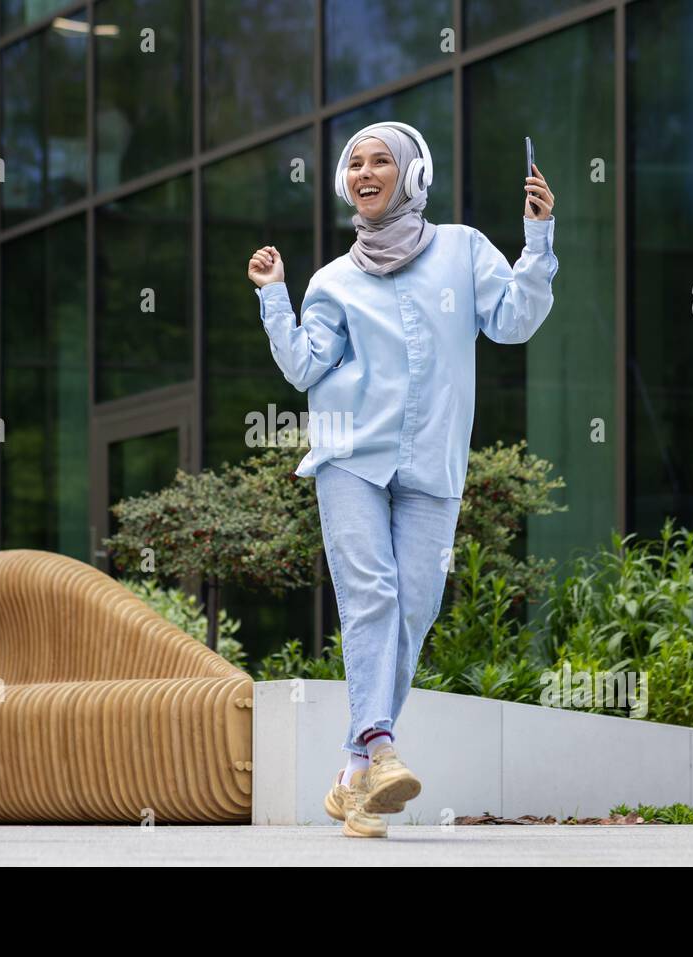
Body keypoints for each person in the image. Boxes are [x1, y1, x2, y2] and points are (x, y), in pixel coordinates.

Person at [246, 121, 558, 837]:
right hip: (350, 457)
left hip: (433, 463)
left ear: (412, 175)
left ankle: (353, 775)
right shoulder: (332, 280)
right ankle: (382, 752)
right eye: (353, 162)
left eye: (379, 159)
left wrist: (536, 245)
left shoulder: (462, 250)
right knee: (372, 599)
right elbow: (303, 366)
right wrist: (274, 295)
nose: (363, 170)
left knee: (413, 610)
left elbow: (511, 321)